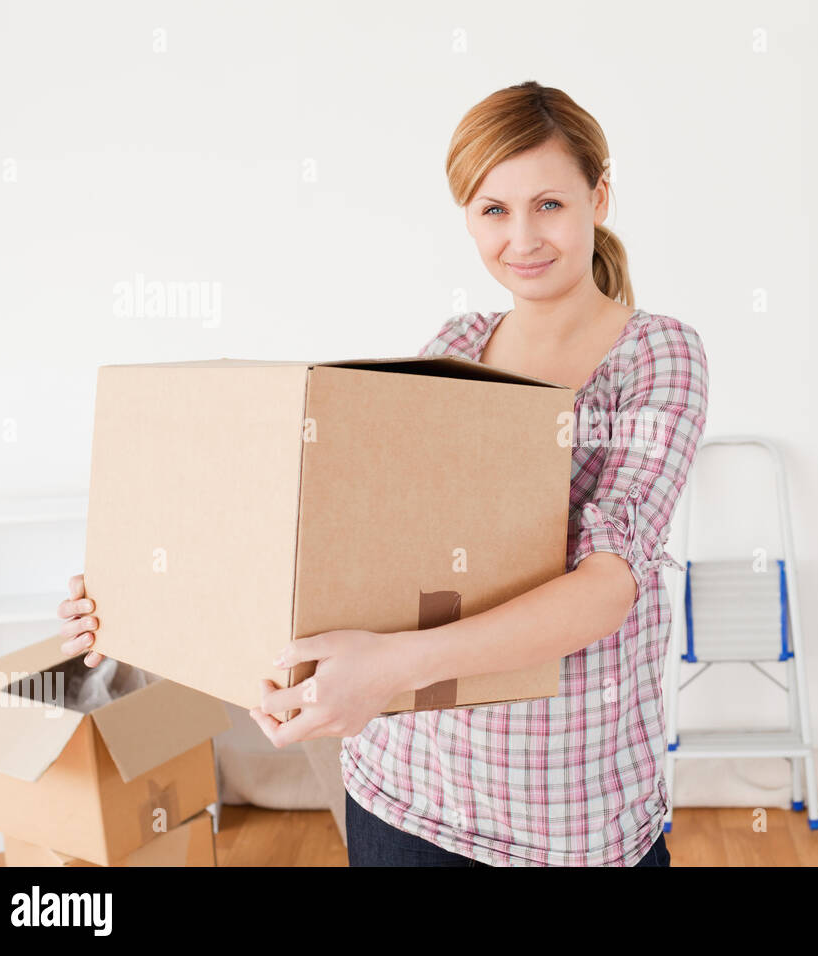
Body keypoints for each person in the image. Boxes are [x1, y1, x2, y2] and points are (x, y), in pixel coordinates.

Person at [58, 80, 709, 867]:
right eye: (493, 210)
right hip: (402, 791)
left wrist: (393, 665)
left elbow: (610, 585)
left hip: (563, 815)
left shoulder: (657, 355)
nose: (523, 237)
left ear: (599, 198)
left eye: (550, 205)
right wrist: (136, 600)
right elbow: (366, 543)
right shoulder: (458, 343)